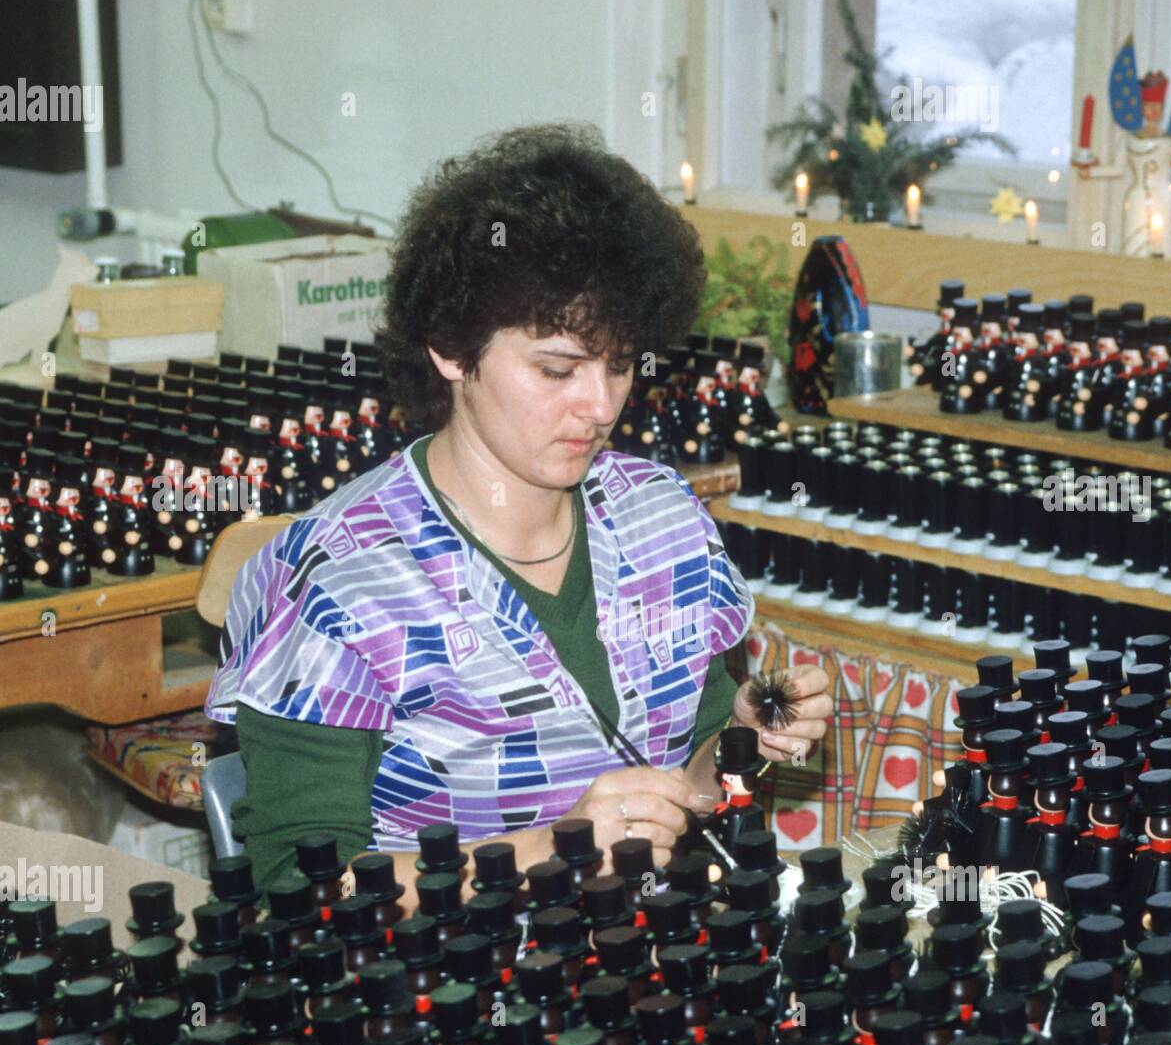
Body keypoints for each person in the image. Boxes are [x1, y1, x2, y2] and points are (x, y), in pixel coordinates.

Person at [206, 123, 831, 902]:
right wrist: (549, 847)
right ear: (450, 346)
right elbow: (299, 890)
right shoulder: (341, 582)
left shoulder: (660, 521)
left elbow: (692, 789)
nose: (599, 405)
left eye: (620, 365)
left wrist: (743, 737)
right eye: (556, 369)